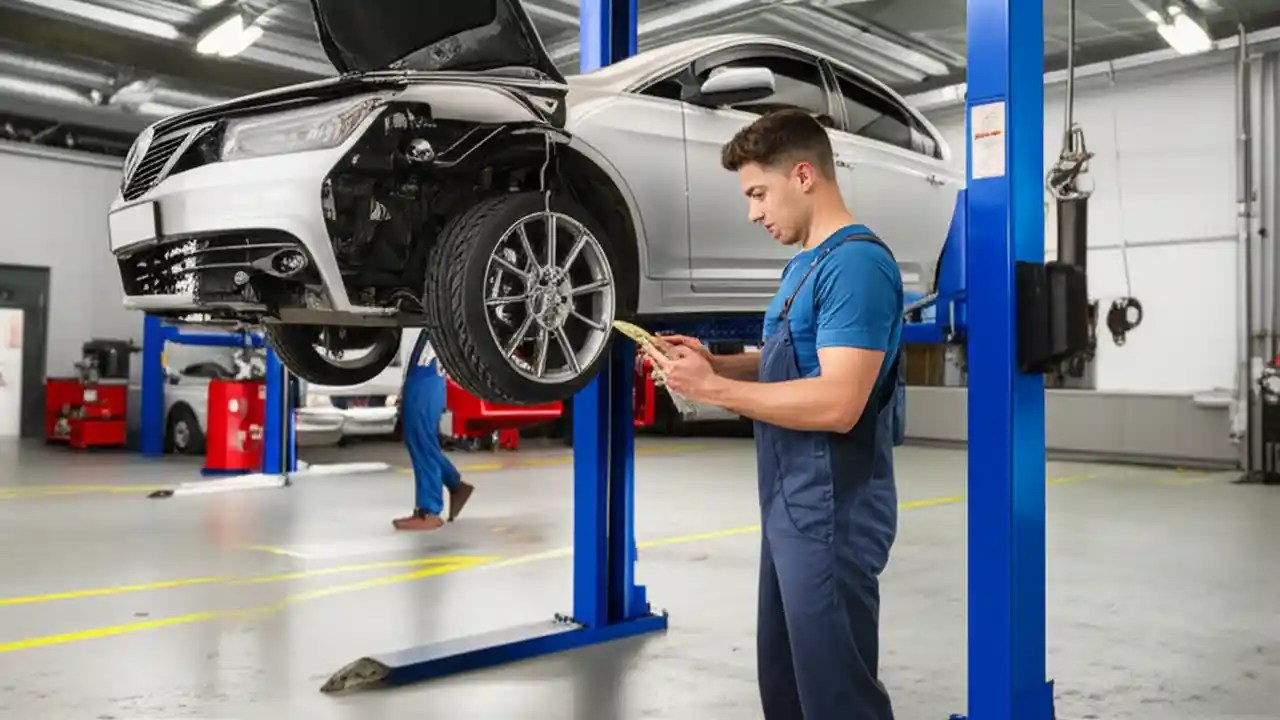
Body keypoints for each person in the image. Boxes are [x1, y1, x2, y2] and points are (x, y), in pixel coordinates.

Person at [653, 108, 903, 720]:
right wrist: (714, 362)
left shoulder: (857, 266)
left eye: (758, 193)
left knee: (836, 696)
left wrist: (712, 391)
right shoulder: (805, 266)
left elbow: (839, 402)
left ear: (803, 176)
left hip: (834, 511)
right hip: (792, 505)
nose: (753, 212)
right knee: (788, 686)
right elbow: (792, 364)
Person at [393, 330, 474, 531]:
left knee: (421, 438)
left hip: (427, 374)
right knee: (418, 438)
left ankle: (429, 511)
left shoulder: (437, 317)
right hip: (421, 374)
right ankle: (455, 484)